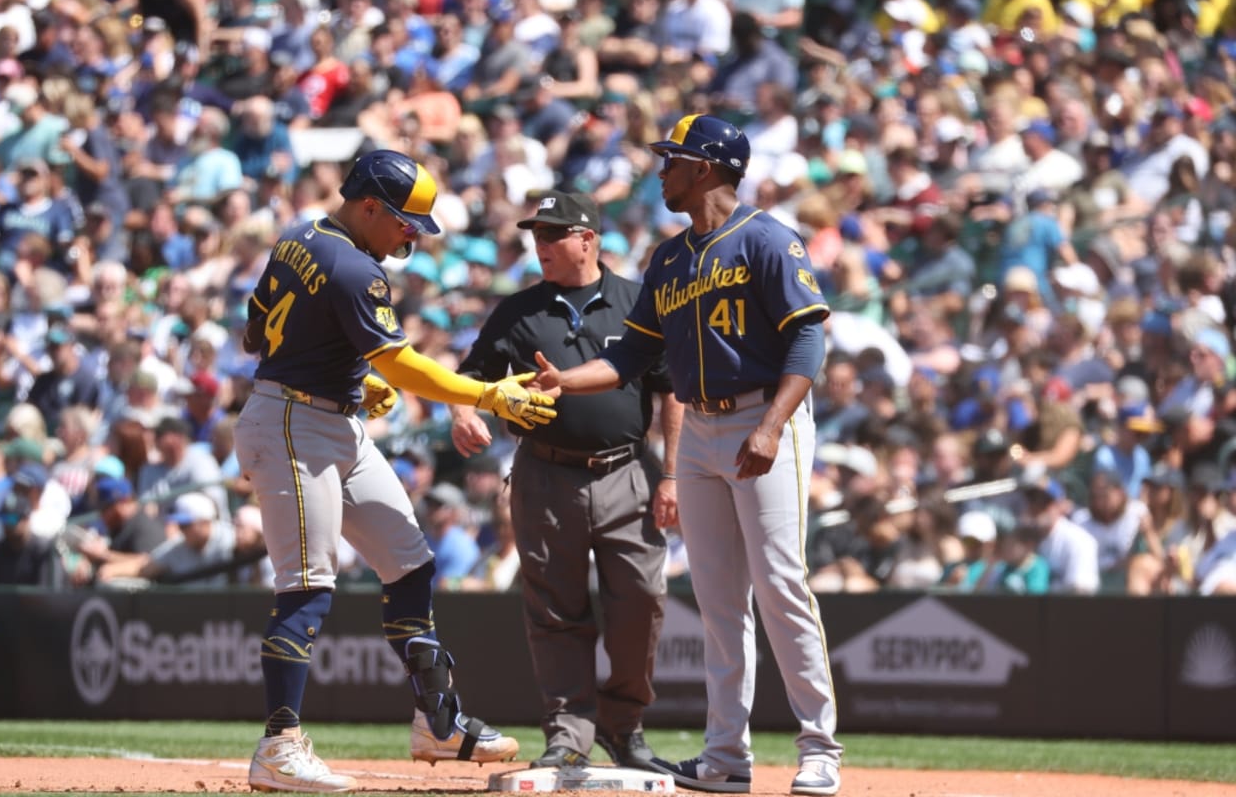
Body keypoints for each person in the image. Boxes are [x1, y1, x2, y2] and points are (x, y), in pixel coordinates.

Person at [530, 115, 842, 796]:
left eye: (671, 160)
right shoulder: (669, 257)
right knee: (718, 599)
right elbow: (631, 355)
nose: (661, 170)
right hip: (699, 426)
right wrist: (564, 381)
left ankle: (820, 748)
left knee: (781, 583)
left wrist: (771, 427)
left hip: (765, 414)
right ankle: (726, 756)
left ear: (704, 168)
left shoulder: (766, 238)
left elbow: (808, 340)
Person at [234, 149, 556, 792]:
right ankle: (279, 746)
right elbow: (402, 363)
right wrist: (486, 395)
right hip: (293, 424)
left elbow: (255, 332)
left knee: (410, 563)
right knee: (305, 585)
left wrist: (349, 376)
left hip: (324, 414)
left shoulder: (301, 234)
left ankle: (438, 721)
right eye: (406, 222)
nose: (412, 237)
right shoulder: (355, 266)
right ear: (368, 207)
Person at [449, 190, 680, 771]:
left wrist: (673, 475)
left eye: (554, 233)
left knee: (642, 602)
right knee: (555, 612)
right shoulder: (519, 309)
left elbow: (670, 391)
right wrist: (463, 412)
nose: (542, 244)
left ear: (588, 239)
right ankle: (569, 734)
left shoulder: (637, 301)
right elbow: (471, 375)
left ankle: (623, 726)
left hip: (627, 470)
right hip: (545, 472)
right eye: (537, 234)